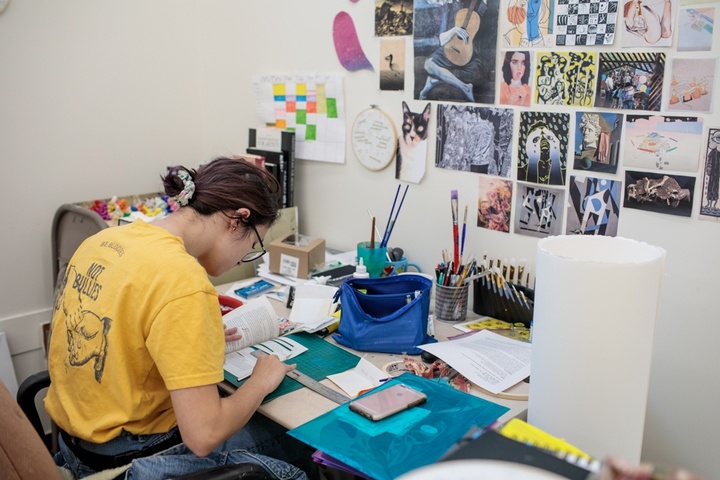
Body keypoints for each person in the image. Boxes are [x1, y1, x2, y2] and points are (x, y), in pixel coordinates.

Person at [45, 157, 316, 480]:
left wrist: (191, 333)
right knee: (301, 437)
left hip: (75, 446)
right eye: (253, 244)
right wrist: (260, 383)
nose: (244, 257)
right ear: (237, 219)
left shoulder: (104, 240)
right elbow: (203, 436)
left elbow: (120, 325)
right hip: (129, 462)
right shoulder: (182, 281)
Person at [418, 0, 488, 102]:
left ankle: (436, 79)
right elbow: (441, 40)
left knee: (477, 76)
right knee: (428, 64)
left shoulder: (480, 5)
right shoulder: (448, 7)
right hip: (449, 49)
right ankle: (464, 87)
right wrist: (454, 30)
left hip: (468, 53)